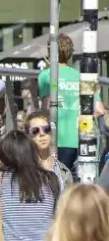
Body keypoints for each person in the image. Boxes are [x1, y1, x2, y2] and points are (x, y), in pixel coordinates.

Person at [40, 34, 104, 172]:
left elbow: (46, 109)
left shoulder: (46, 76)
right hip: (85, 138)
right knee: (82, 187)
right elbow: (100, 110)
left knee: (58, 184)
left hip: (59, 140)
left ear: (50, 51)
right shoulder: (81, 76)